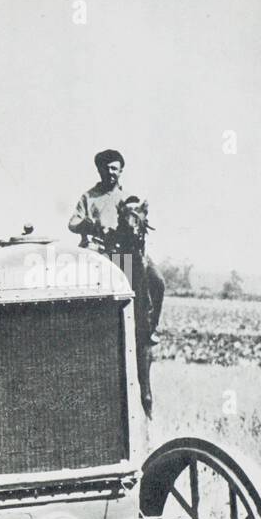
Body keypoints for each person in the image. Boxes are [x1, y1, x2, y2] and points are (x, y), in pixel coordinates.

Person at [67, 149, 165, 417]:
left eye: (116, 168)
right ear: (99, 170)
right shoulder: (90, 197)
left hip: (126, 252)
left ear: (121, 171)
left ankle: (150, 326)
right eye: (108, 168)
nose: (112, 172)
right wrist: (94, 225)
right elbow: (72, 223)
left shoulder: (126, 199)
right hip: (101, 250)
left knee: (157, 280)